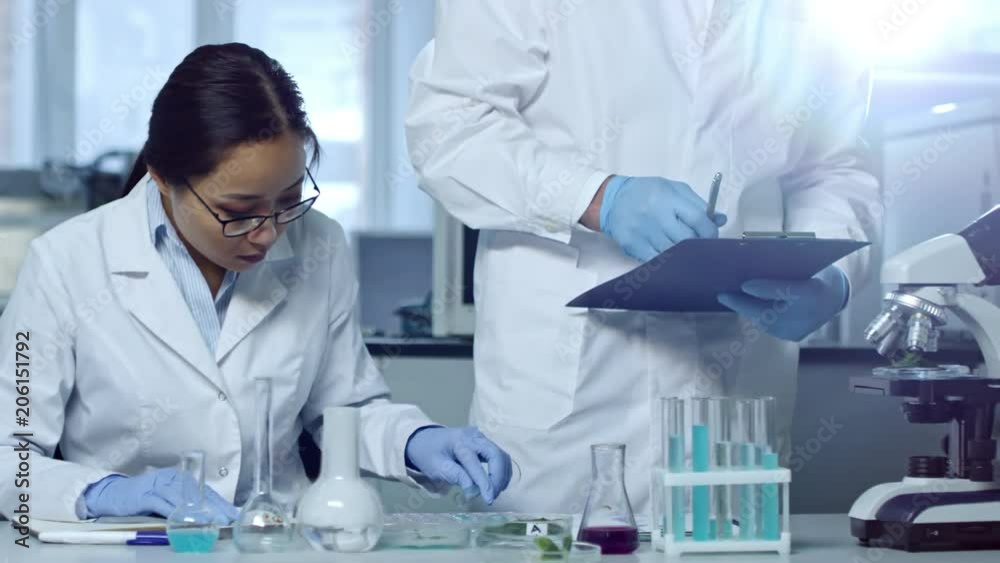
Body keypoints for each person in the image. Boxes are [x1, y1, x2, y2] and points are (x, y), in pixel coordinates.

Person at [0, 43, 511, 523]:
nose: (268, 233)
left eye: (288, 201)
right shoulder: (67, 263)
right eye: (237, 212)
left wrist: (416, 440)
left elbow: (343, 411)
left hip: (276, 537)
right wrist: (106, 493)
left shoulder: (321, 246)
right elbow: (8, 458)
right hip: (131, 544)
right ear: (162, 178)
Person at [405, 2, 879, 514]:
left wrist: (832, 276)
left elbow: (837, 166)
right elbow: (448, 129)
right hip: (566, 387)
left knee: (728, 545)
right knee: (549, 546)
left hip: (735, 380)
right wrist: (596, 197)